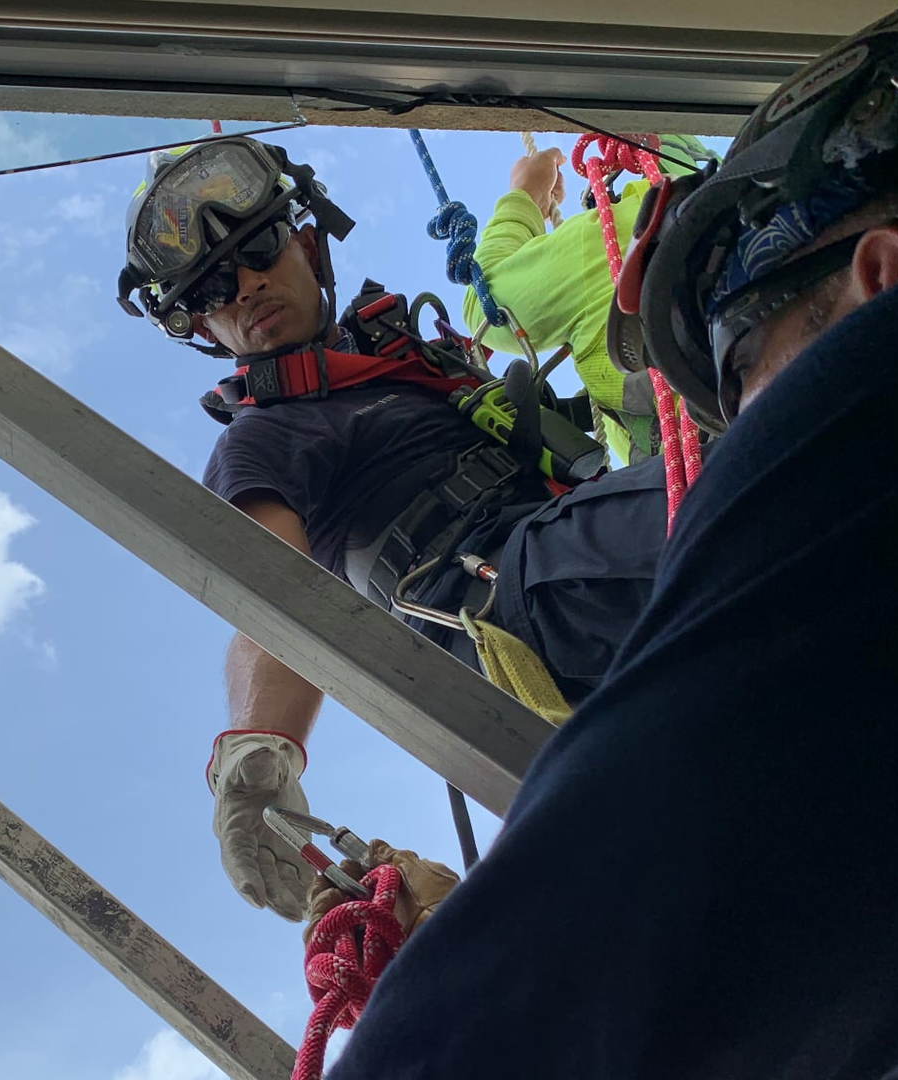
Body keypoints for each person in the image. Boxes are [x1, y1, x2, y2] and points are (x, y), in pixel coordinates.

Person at [326, 2, 898, 1078]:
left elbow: (611, 932)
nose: (732, 435)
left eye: (740, 376)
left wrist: (508, 953)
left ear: (885, 285)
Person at [115, 137, 671, 922]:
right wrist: (254, 746)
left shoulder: (409, 361)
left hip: (573, 548)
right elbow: (272, 591)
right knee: (765, 470)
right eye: (212, 287)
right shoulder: (263, 435)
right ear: (205, 327)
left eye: (260, 249)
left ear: (307, 242)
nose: (245, 287)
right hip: (509, 595)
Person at [464, 134, 718, 461]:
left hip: (707, 482)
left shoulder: (608, 234)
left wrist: (527, 194)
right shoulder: (760, 208)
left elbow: (487, 307)